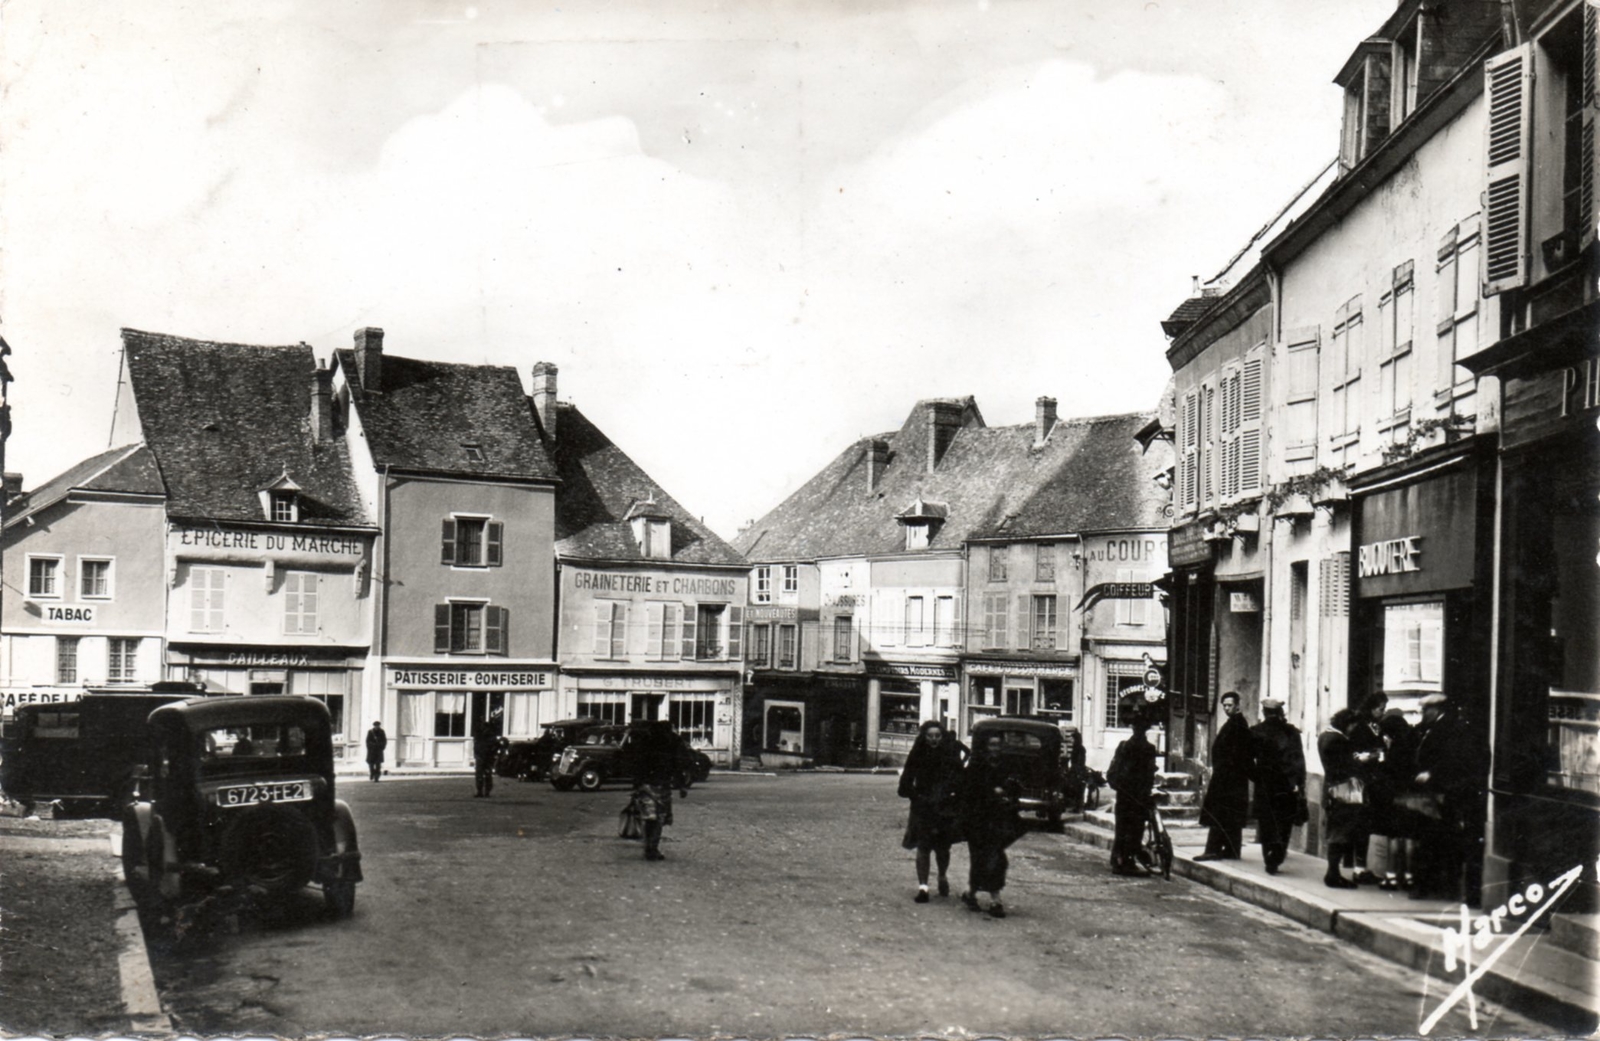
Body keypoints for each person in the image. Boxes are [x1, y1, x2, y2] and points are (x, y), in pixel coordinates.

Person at [1409, 693, 1483, 901]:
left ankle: (1430, 886)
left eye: (1425, 710)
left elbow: (1453, 759)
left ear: (1436, 710)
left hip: (1443, 792)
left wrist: (1432, 774)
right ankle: (1430, 885)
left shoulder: (1450, 729)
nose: (1422, 714)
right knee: (1431, 839)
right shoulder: (1430, 728)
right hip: (1432, 792)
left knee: (1435, 840)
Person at [897, 720, 968, 903]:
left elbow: (961, 779)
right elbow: (904, 785)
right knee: (923, 847)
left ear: (942, 736)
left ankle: (942, 876)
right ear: (924, 737)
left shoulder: (950, 754)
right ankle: (923, 888)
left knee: (943, 848)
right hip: (923, 807)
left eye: (937, 736)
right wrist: (917, 796)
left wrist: (953, 796)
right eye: (930, 736)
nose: (934, 739)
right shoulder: (917, 754)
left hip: (944, 807)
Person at [959, 732, 1022, 917]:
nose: (995, 749)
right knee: (980, 859)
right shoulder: (976, 766)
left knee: (997, 859)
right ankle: (981, 896)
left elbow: (1016, 787)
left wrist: (1008, 790)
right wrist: (991, 791)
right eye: (992, 745)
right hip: (978, 819)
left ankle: (987, 897)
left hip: (998, 819)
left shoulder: (1006, 766)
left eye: (998, 745)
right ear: (986, 747)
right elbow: (970, 791)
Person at [1250, 698, 1305, 876]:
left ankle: (1269, 858)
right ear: (1280, 712)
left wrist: (1256, 777)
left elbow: (1246, 759)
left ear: (1264, 712)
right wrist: (1299, 782)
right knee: (1284, 822)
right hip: (1285, 785)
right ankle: (1278, 854)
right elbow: (1298, 760)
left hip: (1265, 785)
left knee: (1267, 822)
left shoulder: (1255, 732)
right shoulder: (1291, 732)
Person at [1195, 692, 1252, 861]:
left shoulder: (1238, 725)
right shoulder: (1235, 723)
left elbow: (1236, 753)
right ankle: (1231, 849)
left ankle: (1213, 849)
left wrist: (1224, 770)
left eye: (1229, 705)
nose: (1226, 708)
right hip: (1230, 778)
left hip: (1228, 779)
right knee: (1230, 816)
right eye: (1224, 705)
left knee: (1219, 814)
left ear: (1237, 705)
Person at [1318, 708, 1366, 888]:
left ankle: (1333, 873)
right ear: (1348, 723)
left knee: (1336, 831)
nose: (1353, 729)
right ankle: (1333, 874)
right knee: (1340, 832)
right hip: (1342, 790)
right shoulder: (1338, 740)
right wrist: (1360, 760)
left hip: (1331, 788)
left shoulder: (1325, 735)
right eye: (1353, 725)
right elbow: (1343, 767)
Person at [632, 720, 693, 861]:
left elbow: (636, 762)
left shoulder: (646, 740)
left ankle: (649, 847)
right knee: (658, 818)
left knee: (649, 818)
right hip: (663, 784)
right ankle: (653, 847)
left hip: (646, 785)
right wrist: (682, 785)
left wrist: (636, 784)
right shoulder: (672, 741)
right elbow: (679, 764)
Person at [1107, 713, 1159, 876]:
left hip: (1123, 794)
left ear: (1133, 728)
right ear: (1146, 730)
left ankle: (1117, 859)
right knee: (1135, 829)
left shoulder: (1123, 746)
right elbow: (1149, 774)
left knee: (1122, 828)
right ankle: (1128, 862)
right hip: (1139, 795)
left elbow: (1115, 769)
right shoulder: (1148, 749)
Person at [1346, 692, 1389, 882]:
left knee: (1368, 824)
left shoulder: (1376, 727)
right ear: (1372, 708)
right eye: (1381, 708)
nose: (1383, 712)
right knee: (1361, 824)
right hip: (1362, 782)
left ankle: (1363, 866)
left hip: (1374, 782)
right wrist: (1369, 756)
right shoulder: (1360, 727)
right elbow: (1353, 753)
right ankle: (1359, 867)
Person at [472, 708, 503, 797]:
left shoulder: (484, 737)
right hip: (484, 756)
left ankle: (483, 791)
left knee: (483, 774)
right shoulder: (484, 737)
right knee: (484, 774)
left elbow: (495, 746)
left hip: (485, 757)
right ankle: (483, 791)